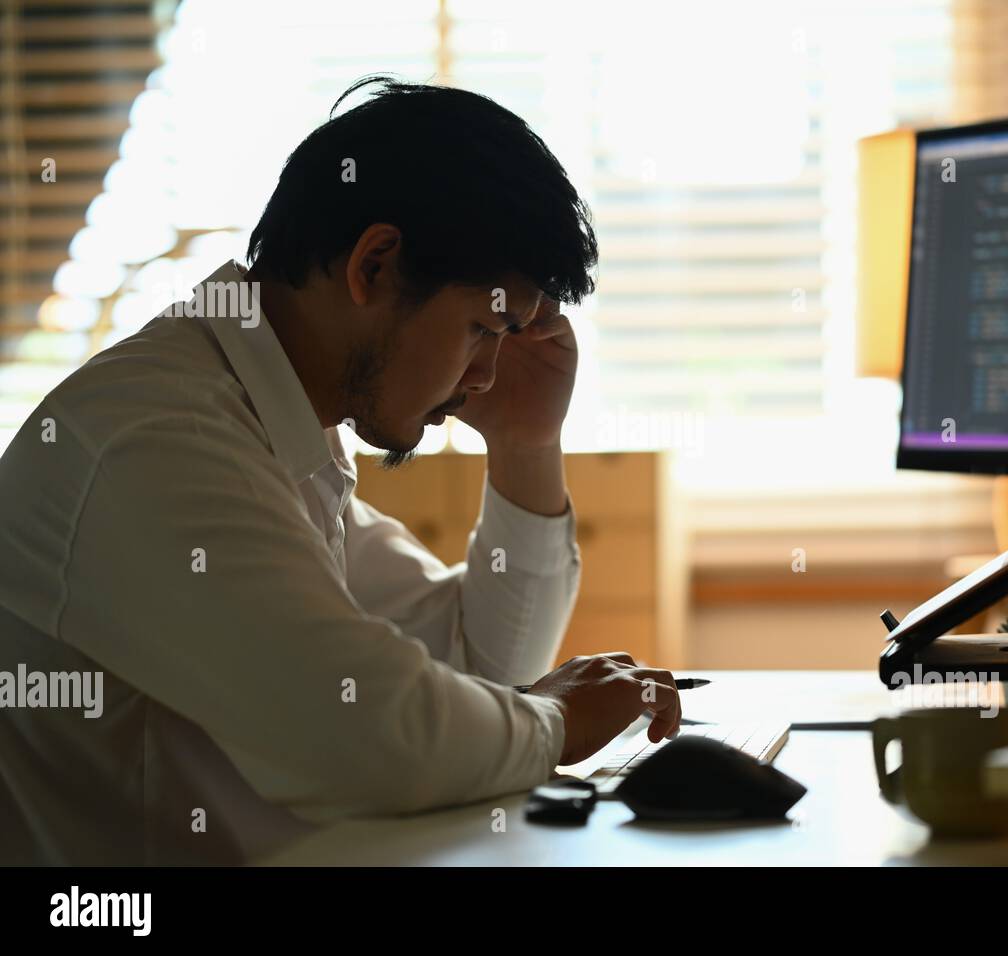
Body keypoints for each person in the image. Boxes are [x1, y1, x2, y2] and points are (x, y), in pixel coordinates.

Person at [0, 77, 680, 864]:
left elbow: (476, 663)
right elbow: (363, 737)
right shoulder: (159, 439)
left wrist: (525, 447)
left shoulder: (275, 425)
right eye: (482, 329)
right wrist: (556, 723)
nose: (489, 374)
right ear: (376, 265)